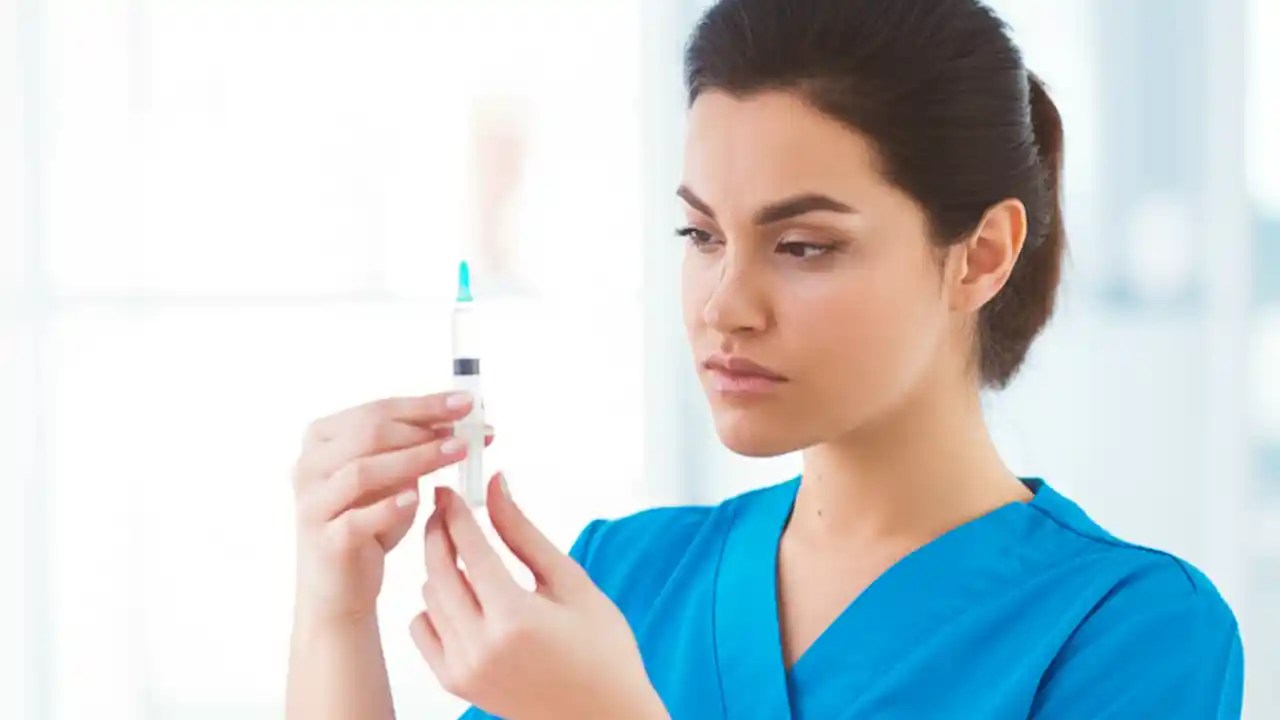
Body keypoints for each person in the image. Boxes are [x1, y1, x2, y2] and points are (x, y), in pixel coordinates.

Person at [286, 0, 1246, 717]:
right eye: (700, 235)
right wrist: (336, 607)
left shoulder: (1129, 633)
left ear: (981, 255)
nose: (722, 306)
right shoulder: (620, 576)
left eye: (803, 246)